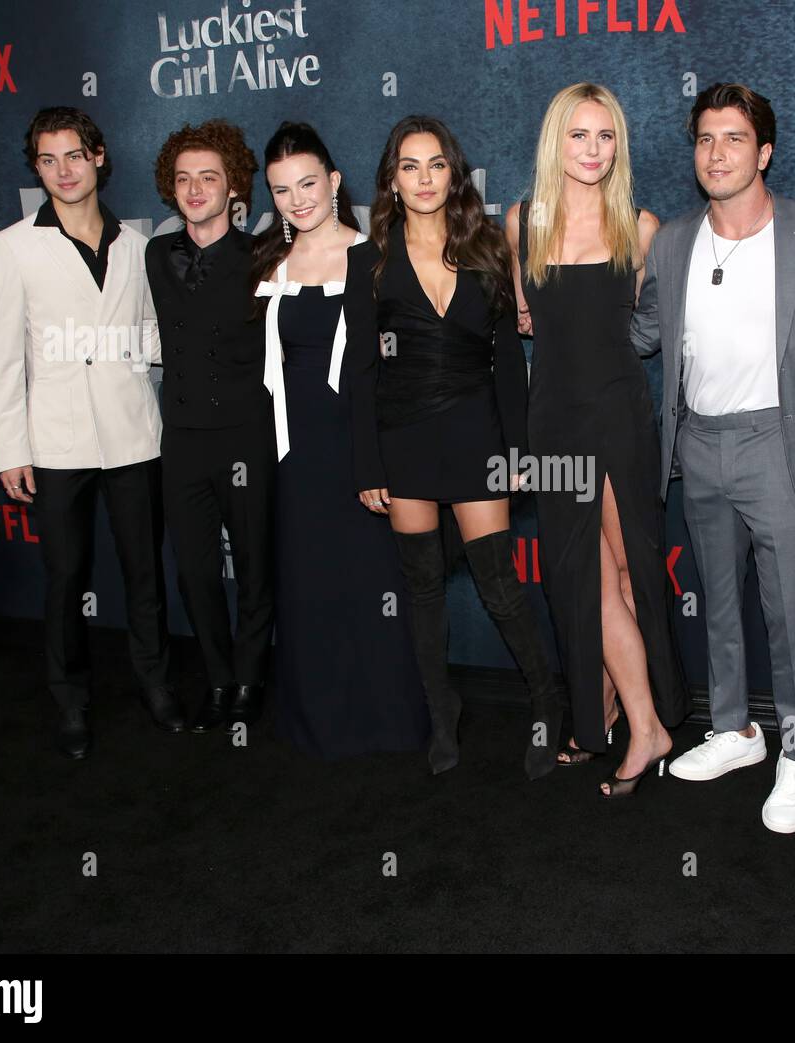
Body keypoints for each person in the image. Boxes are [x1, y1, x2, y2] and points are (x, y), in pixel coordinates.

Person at [629, 84, 795, 829]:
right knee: (717, 601)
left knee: (788, 614)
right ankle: (734, 730)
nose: (716, 153)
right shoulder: (674, 239)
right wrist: (558, 319)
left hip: (777, 445)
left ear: (765, 151)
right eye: (704, 139)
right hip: (698, 442)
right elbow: (645, 335)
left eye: (733, 138)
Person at [343, 115, 562, 779]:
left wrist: (517, 447)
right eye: (409, 166)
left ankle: (547, 702)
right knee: (424, 587)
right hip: (403, 438)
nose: (424, 178)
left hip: (475, 435)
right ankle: (443, 712)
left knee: (499, 584)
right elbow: (361, 369)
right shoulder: (367, 259)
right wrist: (368, 462)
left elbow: (505, 361)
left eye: (436, 164)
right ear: (391, 179)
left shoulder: (489, 246)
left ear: (453, 172)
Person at [507, 83, 688, 798]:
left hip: (618, 416)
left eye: (605, 135)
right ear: (557, 141)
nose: (592, 150)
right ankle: (607, 712)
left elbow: (664, 330)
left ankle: (643, 724)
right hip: (553, 419)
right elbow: (521, 321)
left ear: (620, 144)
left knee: (631, 571)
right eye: (579, 135)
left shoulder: (643, 228)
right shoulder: (522, 223)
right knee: (582, 575)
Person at [0, 106, 175, 758]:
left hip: (132, 434)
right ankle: (70, 698)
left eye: (74, 155)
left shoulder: (138, 246)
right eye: (48, 159)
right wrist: (9, 448)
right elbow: (3, 357)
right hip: (55, 440)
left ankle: (155, 683)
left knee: (144, 570)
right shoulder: (10, 247)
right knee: (66, 575)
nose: (63, 170)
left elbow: (149, 338)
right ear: (36, 168)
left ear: (98, 157)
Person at [254, 121, 429, 760]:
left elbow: (394, 366)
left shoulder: (375, 255)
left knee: (373, 584)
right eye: (280, 190)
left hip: (359, 447)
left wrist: (379, 456)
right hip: (289, 453)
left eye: (307, 183)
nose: (297, 200)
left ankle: (388, 723)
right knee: (306, 583)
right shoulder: (264, 260)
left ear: (333, 182)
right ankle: (315, 721)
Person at [145, 120, 274, 735]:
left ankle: (249, 679)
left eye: (209, 178)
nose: (195, 189)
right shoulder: (154, 255)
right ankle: (218, 678)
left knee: (253, 563)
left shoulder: (261, 258)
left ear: (233, 188)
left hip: (247, 434)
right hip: (182, 439)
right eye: (184, 179)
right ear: (171, 189)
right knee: (195, 569)